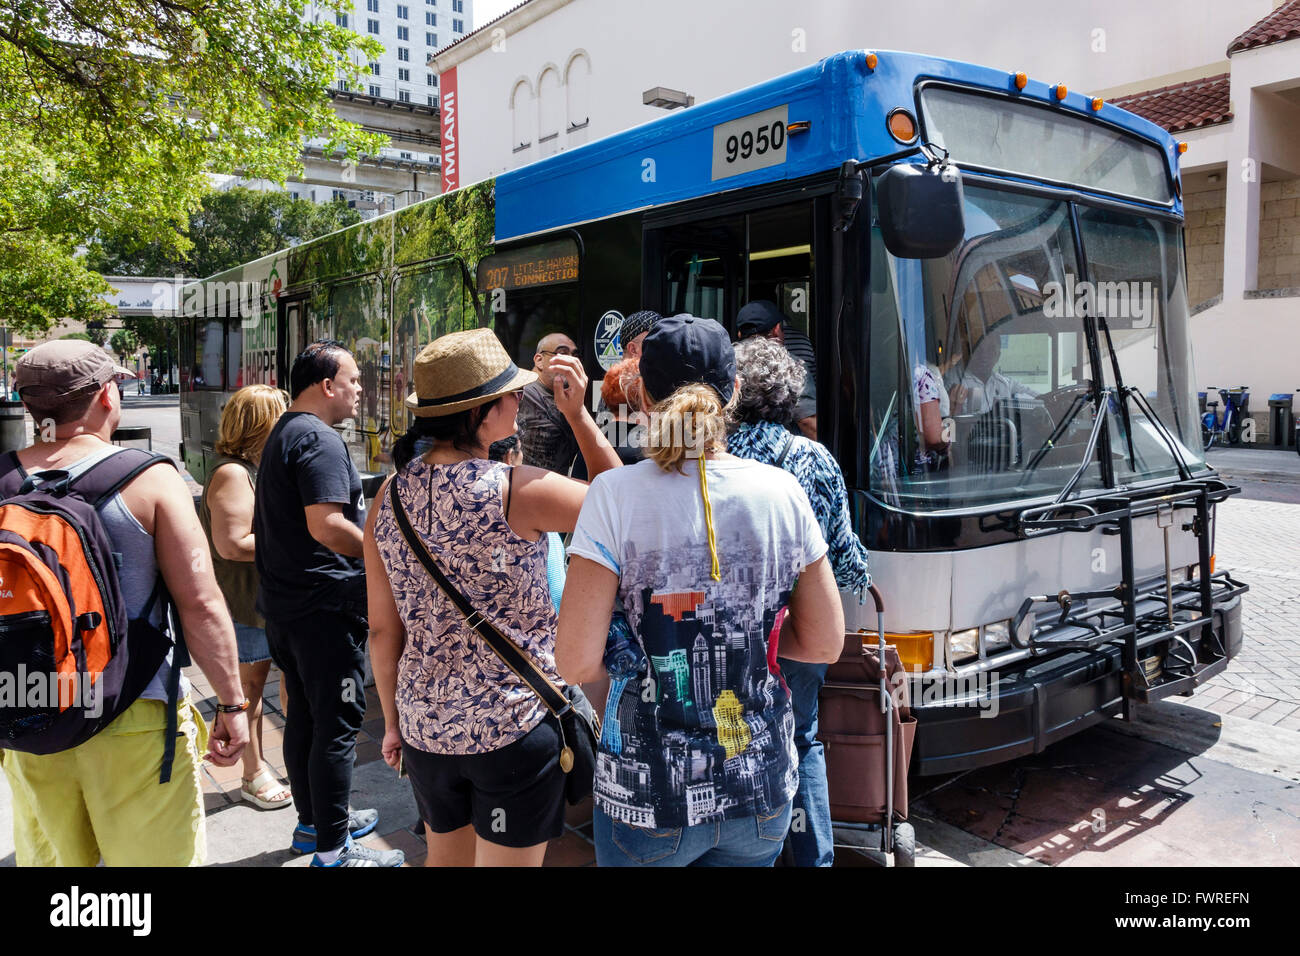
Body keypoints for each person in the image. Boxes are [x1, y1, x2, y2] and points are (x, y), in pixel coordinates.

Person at [557, 313, 845, 867]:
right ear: (734, 391)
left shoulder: (613, 496)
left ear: (642, 396)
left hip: (646, 801)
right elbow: (825, 642)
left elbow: (573, 659)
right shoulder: (782, 492)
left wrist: (645, 650)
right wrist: (746, 634)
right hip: (757, 793)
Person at [365, 328, 620, 866]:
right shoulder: (516, 490)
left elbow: (384, 630)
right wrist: (578, 417)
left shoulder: (389, 496)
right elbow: (620, 501)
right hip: (513, 726)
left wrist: (391, 720)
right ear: (483, 413)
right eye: (510, 393)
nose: (518, 400)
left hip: (425, 724)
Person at [0, 339, 248, 865]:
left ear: (30, 405)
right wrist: (232, 704)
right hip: (133, 711)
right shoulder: (149, 479)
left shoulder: (2, 480)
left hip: (29, 711)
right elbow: (201, 603)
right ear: (105, 397)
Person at [253, 341, 401, 867]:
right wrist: (385, 556)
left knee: (308, 720)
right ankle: (336, 851)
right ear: (327, 386)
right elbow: (326, 524)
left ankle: (315, 825)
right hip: (322, 610)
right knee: (337, 726)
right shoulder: (318, 438)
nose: (361, 389)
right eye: (354, 379)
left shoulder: (286, 431)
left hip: (287, 606)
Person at [727, 335, 870, 867]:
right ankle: (811, 858)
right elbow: (845, 556)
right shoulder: (814, 458)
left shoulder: (717, 456)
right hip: (802, 634)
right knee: (802, 736)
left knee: (733, 736)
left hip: (733, 631)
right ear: (790, 397)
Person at [200, 384, 293, 811]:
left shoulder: (253, 469)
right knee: (248, 691)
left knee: (261, 686)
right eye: (283, 414)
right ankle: (252, 774)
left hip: (260, 599)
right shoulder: (233, 473)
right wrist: (303, 537)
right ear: (262, 424)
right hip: (242, 601)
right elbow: (233, 544)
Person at [736, 300, 818, 440]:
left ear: (739, 334)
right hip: (776, 451)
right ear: (776, 329)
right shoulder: (788, 365)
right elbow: (807, 422)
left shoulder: (725, 363)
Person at [517, 331, 583, 475]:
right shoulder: (521, 394)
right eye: (562, 353)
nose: (571, 361)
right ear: (539, 360)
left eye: (575, 356)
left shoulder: (567, 398)